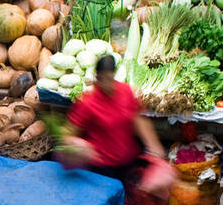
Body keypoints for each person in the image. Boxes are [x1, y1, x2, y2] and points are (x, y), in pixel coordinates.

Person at [67, 54, 166, 182]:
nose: (107, 84)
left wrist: (153, 145)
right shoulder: (87, 102)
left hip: (128, 163)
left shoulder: (125, 91)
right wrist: (77, 146)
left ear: (114, 75)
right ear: (97, 78)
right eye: (102, 79)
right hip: (102, 170)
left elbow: (138, 119)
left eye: (109, 78)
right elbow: (69, 132)